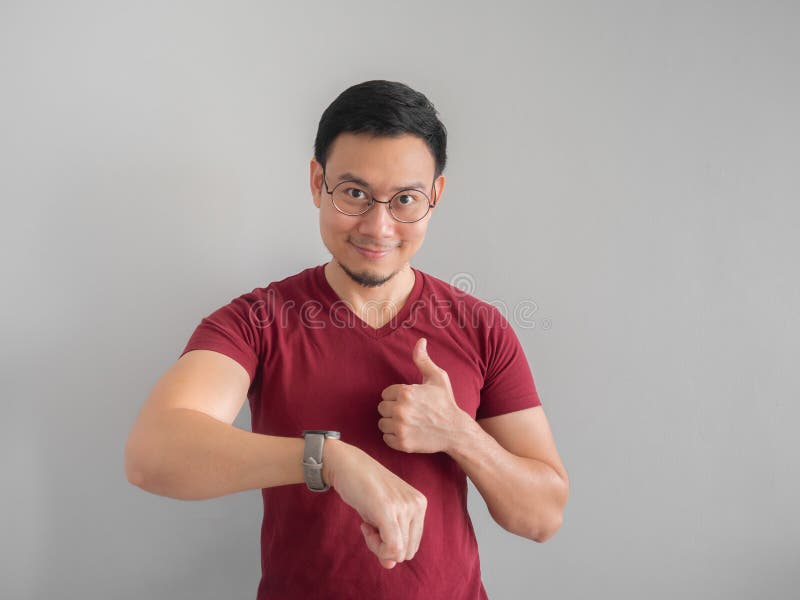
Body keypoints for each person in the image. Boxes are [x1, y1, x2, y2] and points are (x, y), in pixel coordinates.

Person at [124, 79, 569, 600]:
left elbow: (542, 518)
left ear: (435, 197)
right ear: (318, 183)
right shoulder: (257, 321)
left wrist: (459, 434)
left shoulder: (483, 328)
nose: (379, 227)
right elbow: (152, 455)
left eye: (405, 199)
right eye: (355, 193)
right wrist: (330, 461)